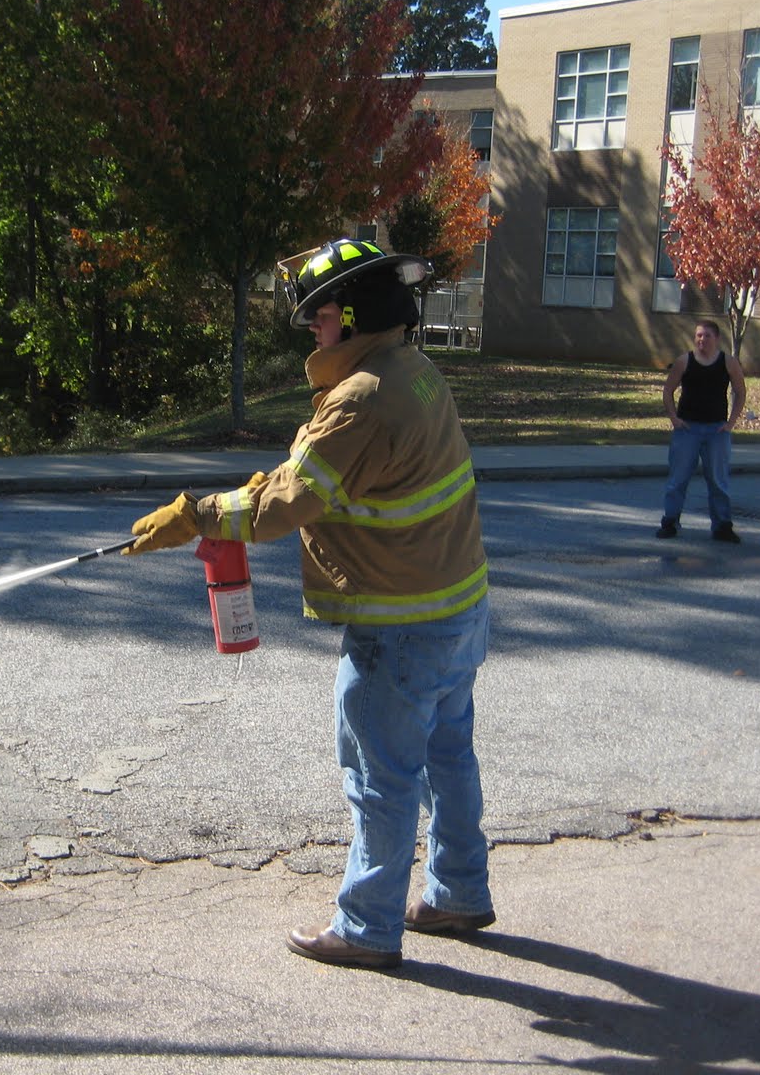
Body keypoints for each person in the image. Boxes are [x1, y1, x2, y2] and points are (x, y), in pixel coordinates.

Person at [127, 238, 493, 971]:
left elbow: (285, 506)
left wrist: (196, 514)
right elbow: (326, 478)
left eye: (320, 316)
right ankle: (458, 891)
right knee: (448, 755)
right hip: (458, 612)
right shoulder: (413, 371)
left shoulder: (359, 399)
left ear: (353, 315)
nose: (313, 329)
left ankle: (366, 928)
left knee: (380, 778)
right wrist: (292, 476)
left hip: (398, 629)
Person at [656, 320, 746, 543]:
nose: (701, 340)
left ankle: (722, 526)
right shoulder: (684, 361)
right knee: (678, 478)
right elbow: (668, 391)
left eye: (706, 336)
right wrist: (674, 418)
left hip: (717, 430)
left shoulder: (729, 362)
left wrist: (731, 422)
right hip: (688, 429)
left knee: (718, 480)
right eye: (698, 335)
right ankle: (670, 521)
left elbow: (740, 392)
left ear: (716, 339)